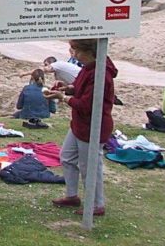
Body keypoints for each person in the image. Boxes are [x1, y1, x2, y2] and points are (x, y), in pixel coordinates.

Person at [47, 39, 117, 217]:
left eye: (77, 51)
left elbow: (87, 105)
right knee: (67, 157)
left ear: (90, 52)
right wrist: (67, 89)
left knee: (90, 166)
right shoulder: (88, 68)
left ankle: (96, 204)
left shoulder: (101, 74)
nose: (75, 55)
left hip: (93, 126)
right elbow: (80, 88)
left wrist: (63, 98)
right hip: (79, 123)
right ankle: (72, 195)